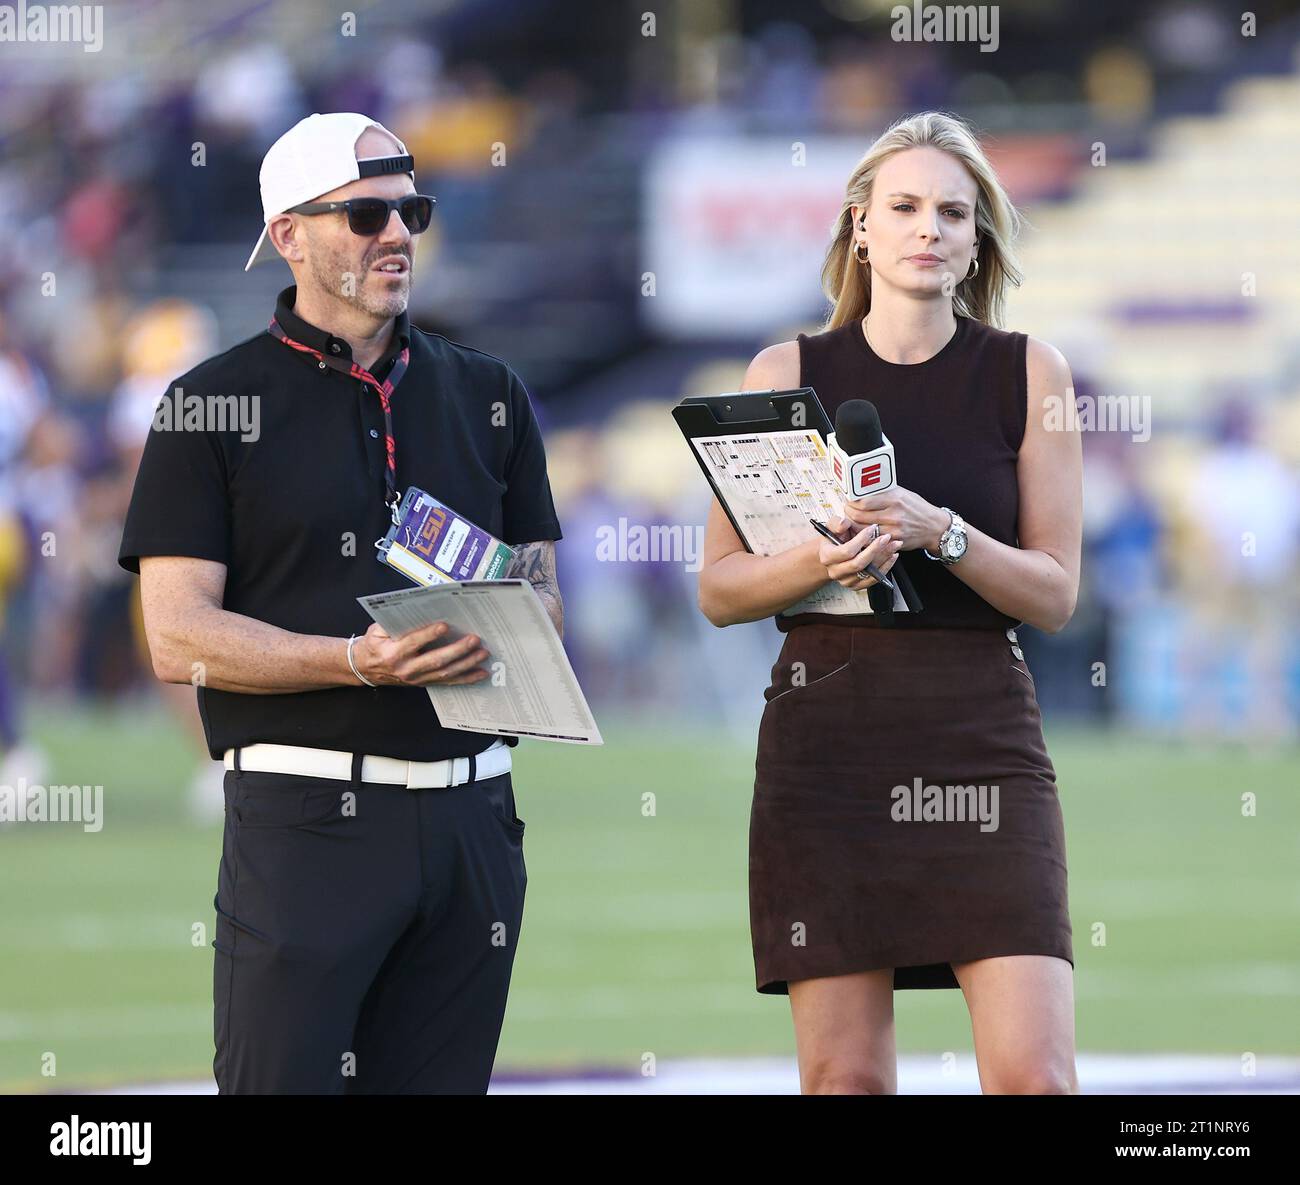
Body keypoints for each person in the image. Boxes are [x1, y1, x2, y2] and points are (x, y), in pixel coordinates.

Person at [118, 112, 564, 1094]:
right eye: (366, 215)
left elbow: (542, 598)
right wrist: (353, 660)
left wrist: (508, 621)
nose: (397, 233)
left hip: (475, 818)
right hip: (307, 815)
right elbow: (175, 634)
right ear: (289, 234)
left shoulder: (490, 391)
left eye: (411, 210)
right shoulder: (205, 404)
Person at [698, 111, 1082, 1095]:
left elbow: (1054, 593)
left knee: (1034, 1076)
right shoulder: (783, 376)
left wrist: (935, 530)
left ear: (976, 239)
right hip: (826, 741)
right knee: (845, 1081)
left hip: (979, 735)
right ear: (859, 227)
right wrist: (828, 561)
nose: (930, 228)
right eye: (904, 207)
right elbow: (719, 590)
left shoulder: (1027, 372)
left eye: (953, 212)